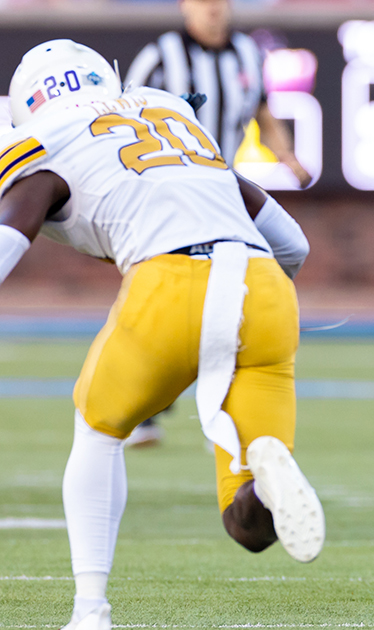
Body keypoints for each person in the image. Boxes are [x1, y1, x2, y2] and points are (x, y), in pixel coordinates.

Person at [0, 40, 323, 630]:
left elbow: (11, 233)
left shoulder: (46, 143)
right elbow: (293, 244)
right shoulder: (172, 119)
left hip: (170, 282)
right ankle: (268, 476)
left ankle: (90, 612)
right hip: (266, 289)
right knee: (247, 526)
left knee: (97, 428)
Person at [122, 0, 313, 447]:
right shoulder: (160, 55)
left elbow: (263, 113)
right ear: (185, 6)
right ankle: (146, 406)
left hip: (227, 187)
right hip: (170, 194)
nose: (212, 10)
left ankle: (226, 405)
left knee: (247, 284)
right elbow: (124, 121)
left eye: (219, 2)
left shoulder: (248, 54)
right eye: (203, 2)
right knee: (169, 296)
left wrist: (287, 156)